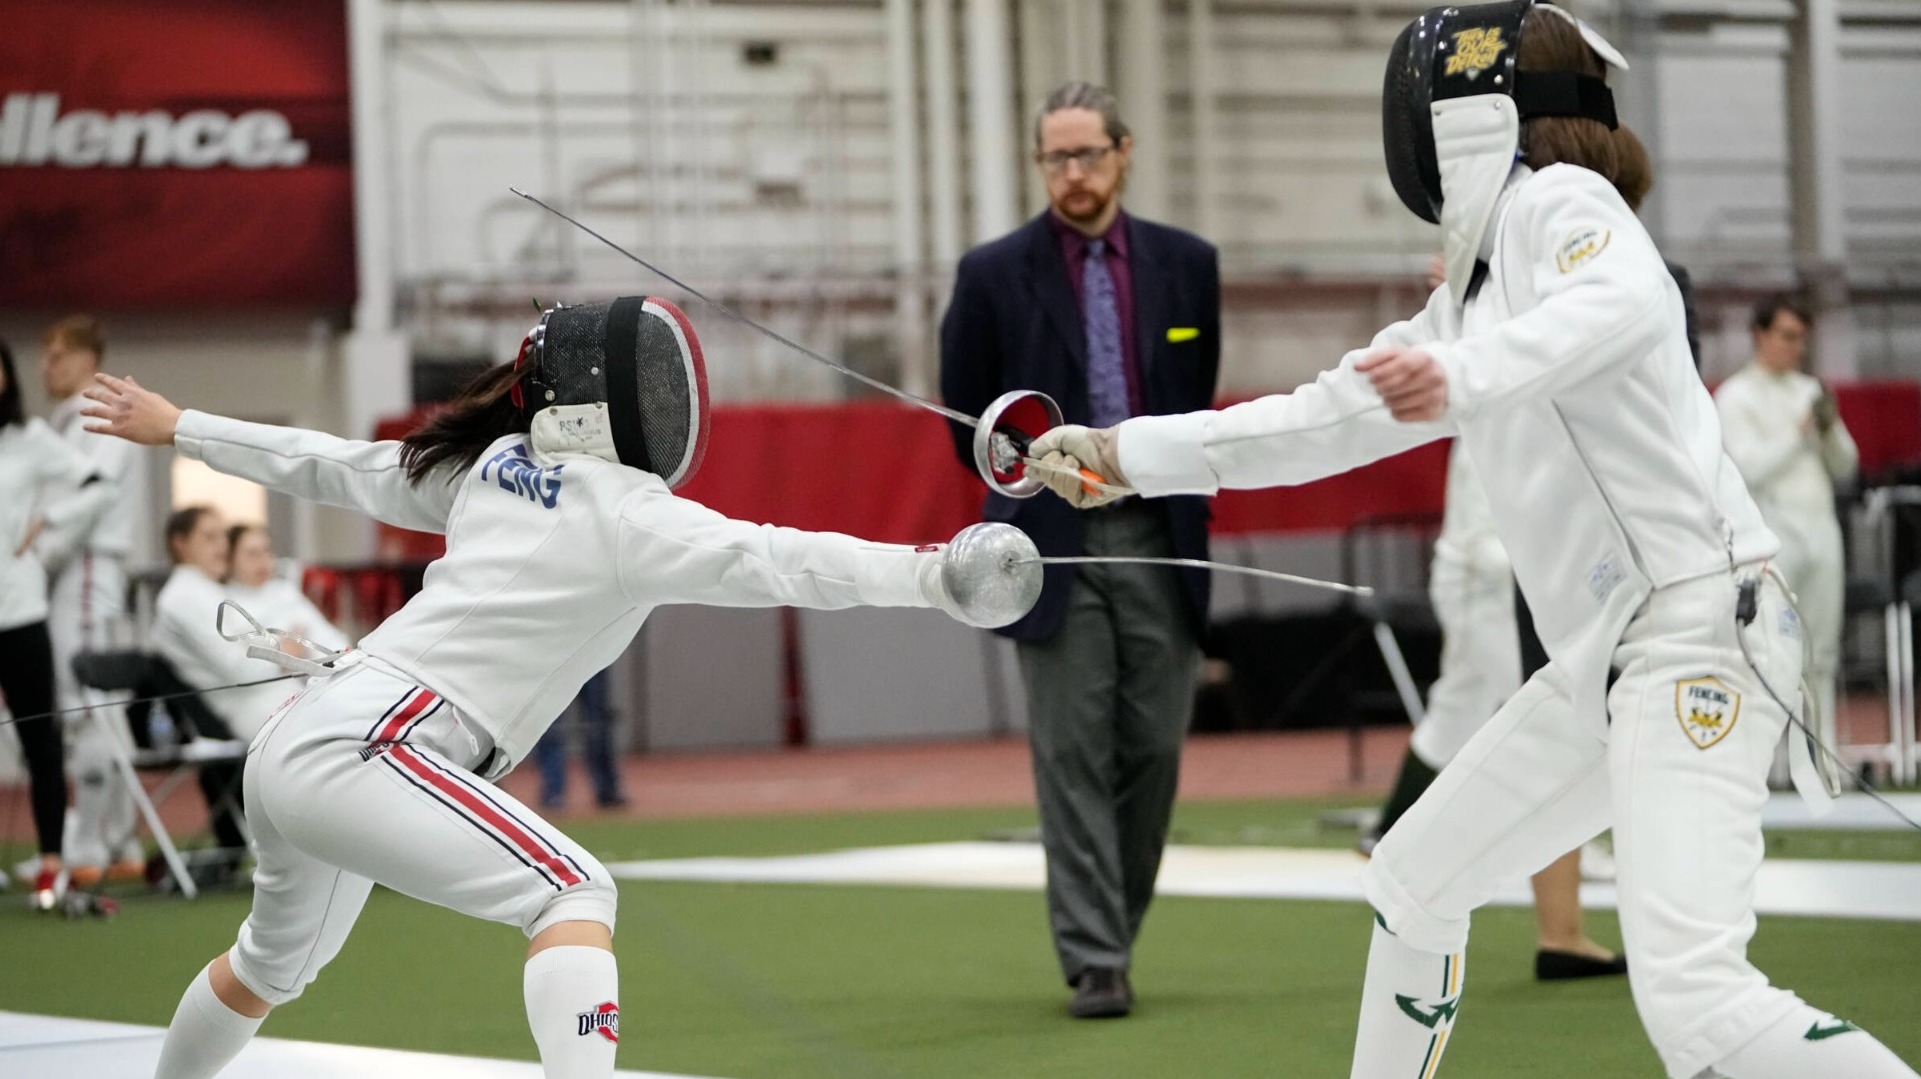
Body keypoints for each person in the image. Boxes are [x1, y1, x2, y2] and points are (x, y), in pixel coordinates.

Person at [1030, 4, 1918, 1077]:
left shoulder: (1559, 204)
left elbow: (1622, 299)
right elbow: (1316, 421)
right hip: (1610, 658)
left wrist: (1465, 375)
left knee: (1696, 996)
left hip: (1694, 631)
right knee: (1414, 879)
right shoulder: (1474, 291)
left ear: (1465, 121)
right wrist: (1123, 455)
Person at [82, 296, 1034, 1079]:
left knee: (267, 966)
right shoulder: (631, 515)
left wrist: (182, 428)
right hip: (374, 744)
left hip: (306, 739)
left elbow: (336, 464)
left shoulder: (492, 467)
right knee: (571, 888)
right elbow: (786, 560)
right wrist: (936, 572)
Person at [938, 80, 1221, 1019]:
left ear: (1123, 151)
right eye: (1056, 157)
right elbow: (963, 420)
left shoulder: (1188, 266)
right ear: (1039, 165)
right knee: (1070, 752)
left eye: (1087, 154)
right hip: (1046, 544)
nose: (1073, 173)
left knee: (1151, 747)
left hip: (1159, 534)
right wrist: (1030, 466)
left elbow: (1196, 394)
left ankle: (1115, 929)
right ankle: (1097, 957)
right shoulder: (991, 273)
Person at [0, 338, 116, 910]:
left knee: (40, 739)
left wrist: (49, 518)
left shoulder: (31, 442)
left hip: (20, 613)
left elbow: (98, 487)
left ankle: (53, 865)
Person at [1715, 295, 1857, 759]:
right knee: (1769, 650)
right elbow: (1748, 470)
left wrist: (1830, 429)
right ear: (1760, 334)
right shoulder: (1735, 396)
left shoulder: (1809, 390)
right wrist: (1799, 433)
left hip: (1820, 527)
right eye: (1787, 336)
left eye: (1802, 339)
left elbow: (1846, 468)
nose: (1796, 347)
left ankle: (1822, 754)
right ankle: (1763, 760)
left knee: (1822, 649)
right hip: (1770, 534)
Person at [38, 315, 147, 888]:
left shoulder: (96, 411)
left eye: (56, 356)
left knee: (84, 705)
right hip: (83, 570)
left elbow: (90, 497)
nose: (44, 368)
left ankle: (86, 848)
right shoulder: (66, 419)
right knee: (99, 708)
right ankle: (118, 838)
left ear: (86, 358)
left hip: (85, 568)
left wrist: (38, 553)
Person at [148, 507, 261, 867]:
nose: (221, 547)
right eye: (209, 538)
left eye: (223, 537)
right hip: (239, 709)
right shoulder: (180, 598)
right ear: (180, 544)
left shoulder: (211, 591)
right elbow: (236, 666)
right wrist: (285, 653)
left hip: (261, 696)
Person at [222, 522, 352, 742]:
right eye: (252, 554)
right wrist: (285, 654)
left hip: (320, 685)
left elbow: (329, 639)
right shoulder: (228, 607)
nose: (263, 560)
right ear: (231, 560)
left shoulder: (284, 592)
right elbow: (251, 662)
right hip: (266, 701)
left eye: (266, 552)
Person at [531, 669, 628, 810]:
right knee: (551, 724)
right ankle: (554, 790)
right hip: (555, 660)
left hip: (592, 657)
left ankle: (607, 788)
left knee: (598, 725)